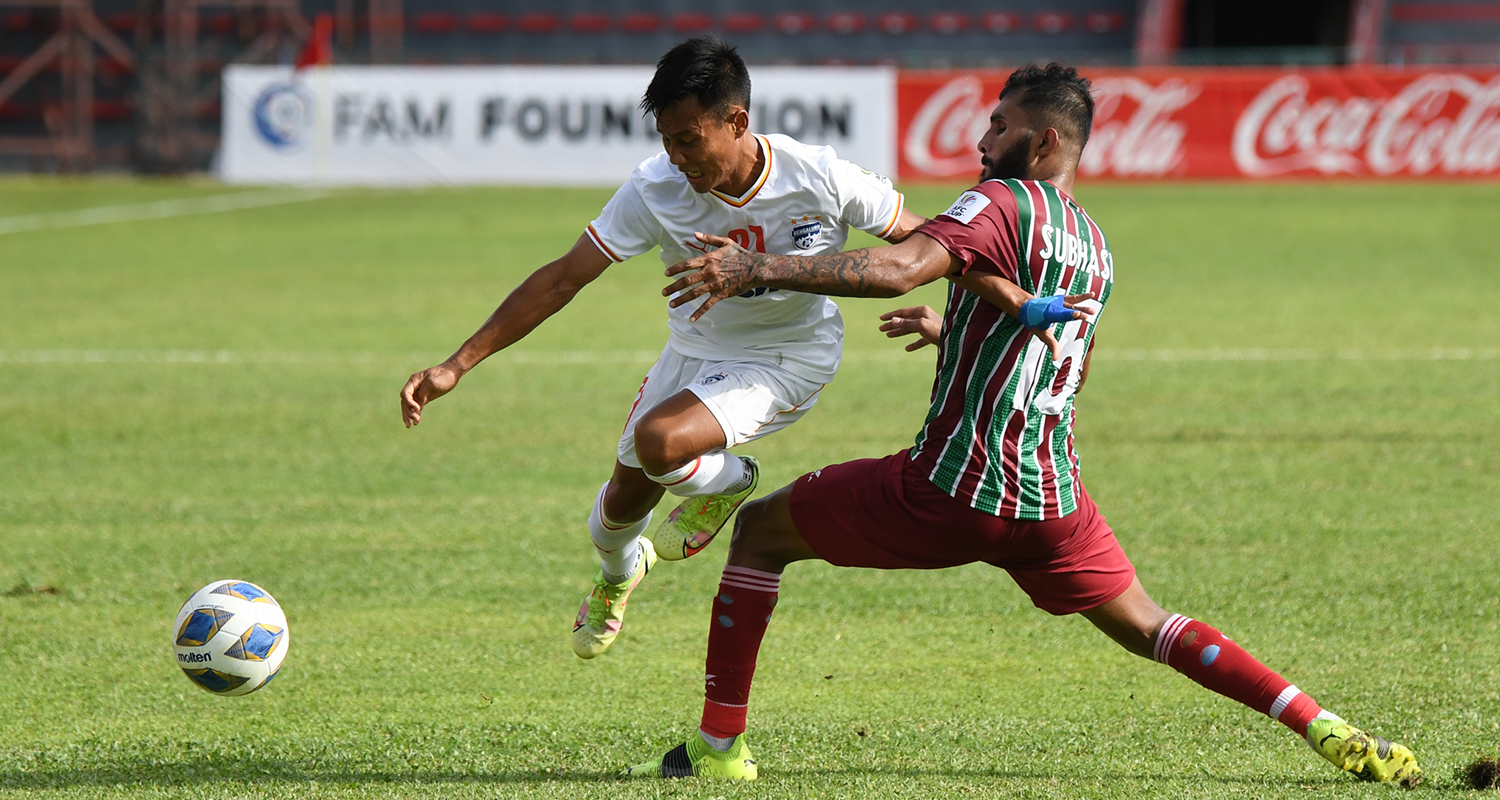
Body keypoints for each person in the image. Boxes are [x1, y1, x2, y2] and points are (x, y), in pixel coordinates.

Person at [624, 63, 1421, 786]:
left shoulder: (999, 200)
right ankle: (1325, 726)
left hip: (950, 490)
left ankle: (719, 747)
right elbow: (1046, 345)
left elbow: (898, 265)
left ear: (1041, 141)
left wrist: (754, 264)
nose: (981, 138)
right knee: (1151, 624)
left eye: (999, 126)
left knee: (760, 533)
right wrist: (953, 334)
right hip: (1052, 507)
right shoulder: (1094, 245)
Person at [399, 36, 948, 660]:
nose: (677, 155)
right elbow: (562, 278)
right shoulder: (655, 188)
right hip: (691, 353)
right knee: (612, 516)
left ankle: (731, 481)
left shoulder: (819, 175)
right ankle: (618, 577)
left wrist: (997, 309)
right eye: (666, 140)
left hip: (788, 356)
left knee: (662, 444)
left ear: (736, 121)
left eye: (689, 138)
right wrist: (455, 365)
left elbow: (931, 247)